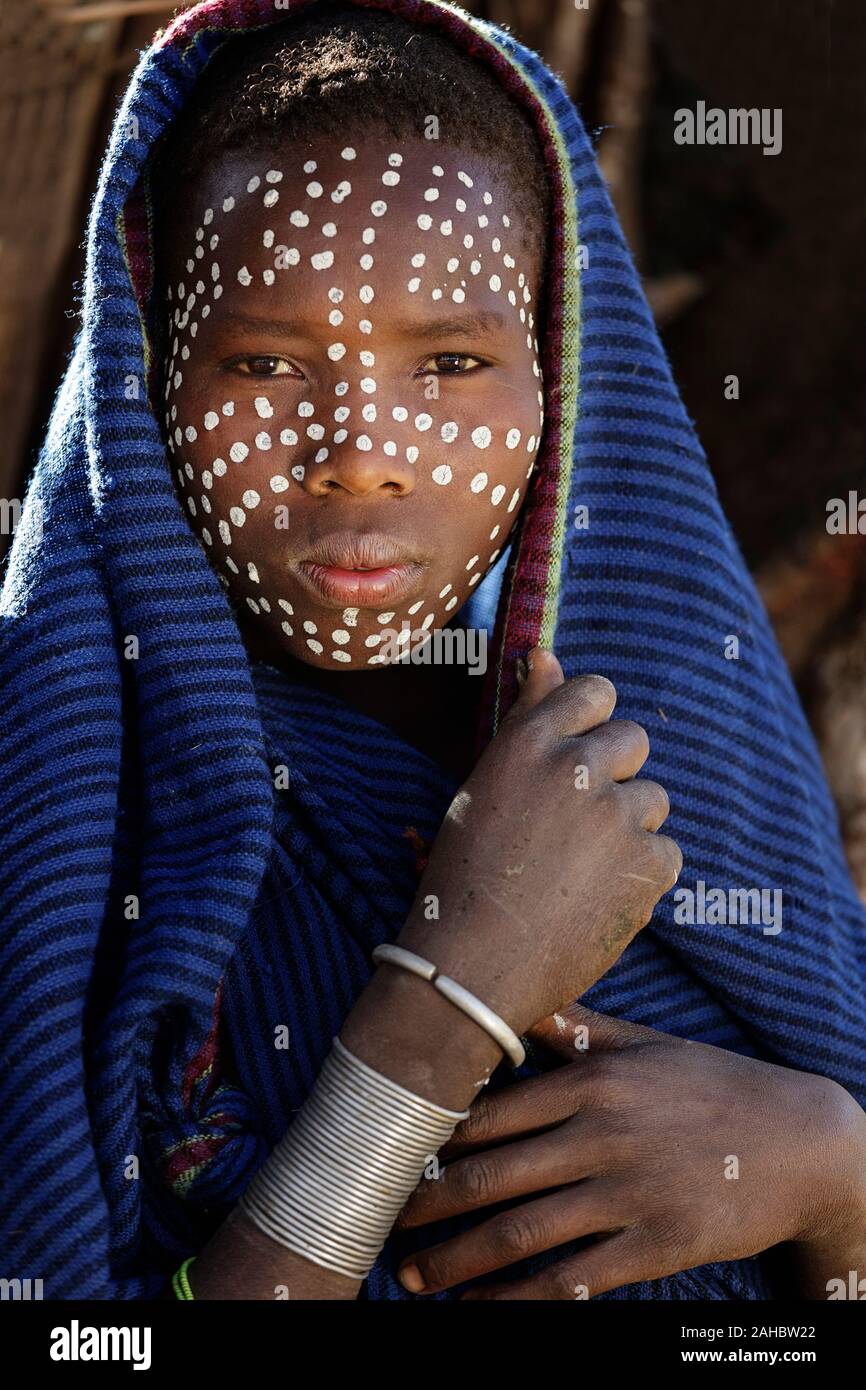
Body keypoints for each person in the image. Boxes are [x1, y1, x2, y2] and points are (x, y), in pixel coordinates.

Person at [1, 0, 865, 1303]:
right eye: (265, 363)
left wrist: (828, 1173)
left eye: (451, 358)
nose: (358, 446)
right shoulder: (50, 816)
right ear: (146, 377)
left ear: (565, 379)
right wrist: (439, 1008)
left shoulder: (714, 789)